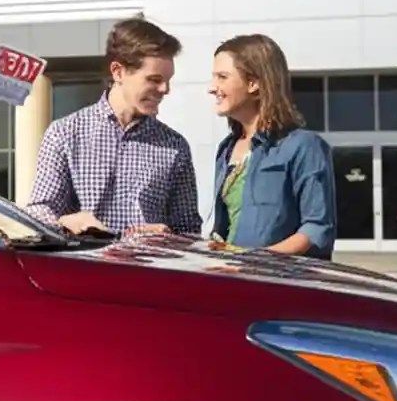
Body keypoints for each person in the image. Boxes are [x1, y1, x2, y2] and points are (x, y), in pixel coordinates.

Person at [24, 17, 202, 236]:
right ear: (118, 72)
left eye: (167, 80)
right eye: (154, 80)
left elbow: (189, 230)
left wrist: (168, 234)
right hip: (82, 267)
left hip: (147, 269)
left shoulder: (175, 146)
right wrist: (67, 222)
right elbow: (39, 210)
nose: (165, 89)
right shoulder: (64, 134)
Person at [208, 34, 336, 259]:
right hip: (232, 279)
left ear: (253, 83)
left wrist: (258, 261)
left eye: (222, 77)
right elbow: (223, 229)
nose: (212, 87)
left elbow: (316, 228)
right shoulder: (226, 149)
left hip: (280, 284)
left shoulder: (303, 146)